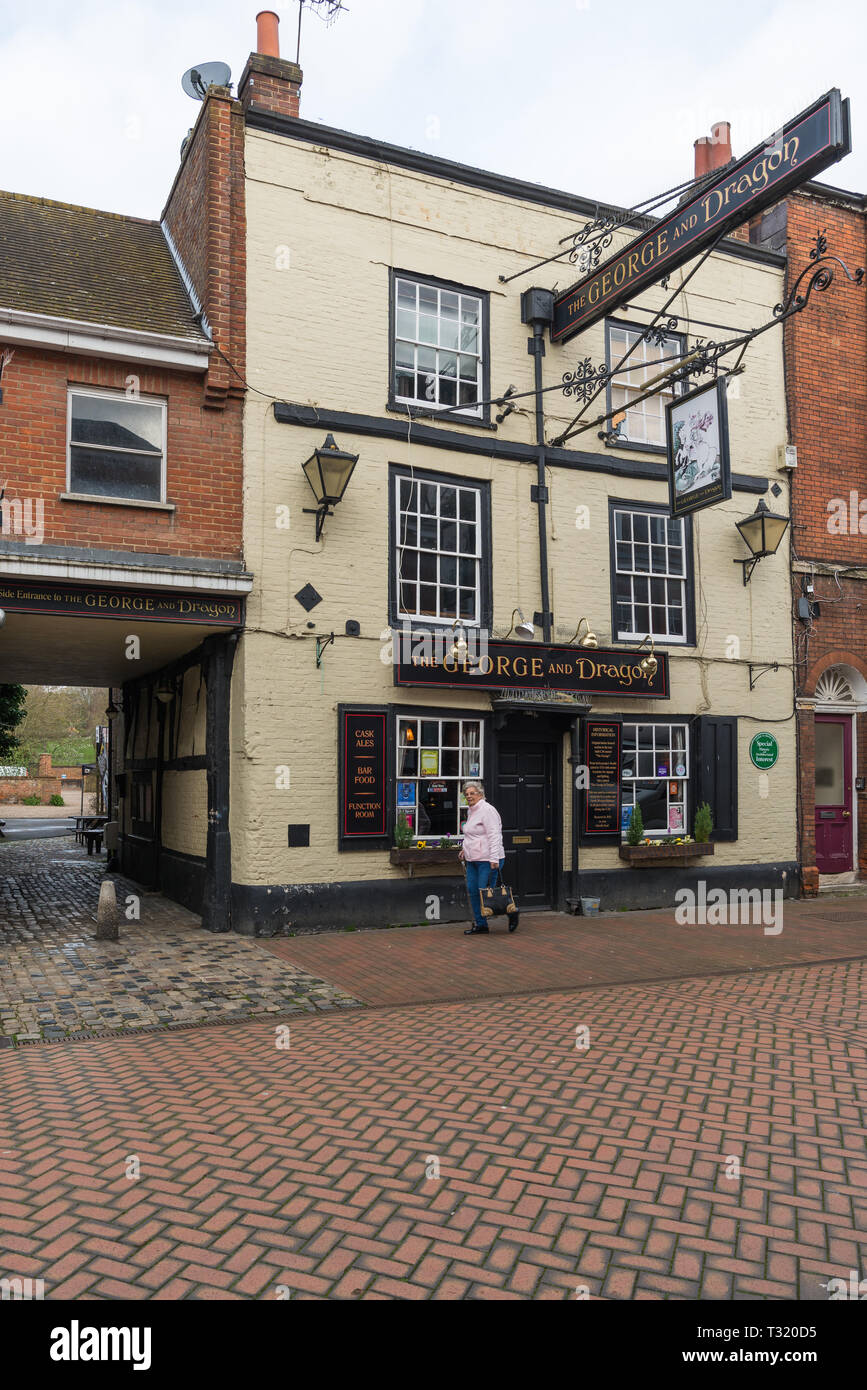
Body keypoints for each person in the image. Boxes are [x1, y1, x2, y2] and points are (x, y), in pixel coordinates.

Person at [458, 781, 518, 935]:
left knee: (486, 893)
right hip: (472, 860)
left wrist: (494, 859)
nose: (469, 796)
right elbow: (471, 834)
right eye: (467, 794)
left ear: (480, 794)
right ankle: (481, 925)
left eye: (472, 793)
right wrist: (464, 850)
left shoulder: (487, 810)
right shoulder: (472, 810)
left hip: (488, 860)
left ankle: (512, 913)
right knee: (473, 891)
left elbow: (494, 836)